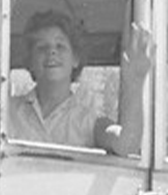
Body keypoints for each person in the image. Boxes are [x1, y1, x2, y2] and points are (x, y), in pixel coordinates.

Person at [9, 9, 150, 155]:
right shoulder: (7, 111)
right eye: (42, 47)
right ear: (30, 60)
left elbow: (126, 144)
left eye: (60, 46)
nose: (51, 52)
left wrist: (135, 80)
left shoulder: (88, 120)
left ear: (75, 58)